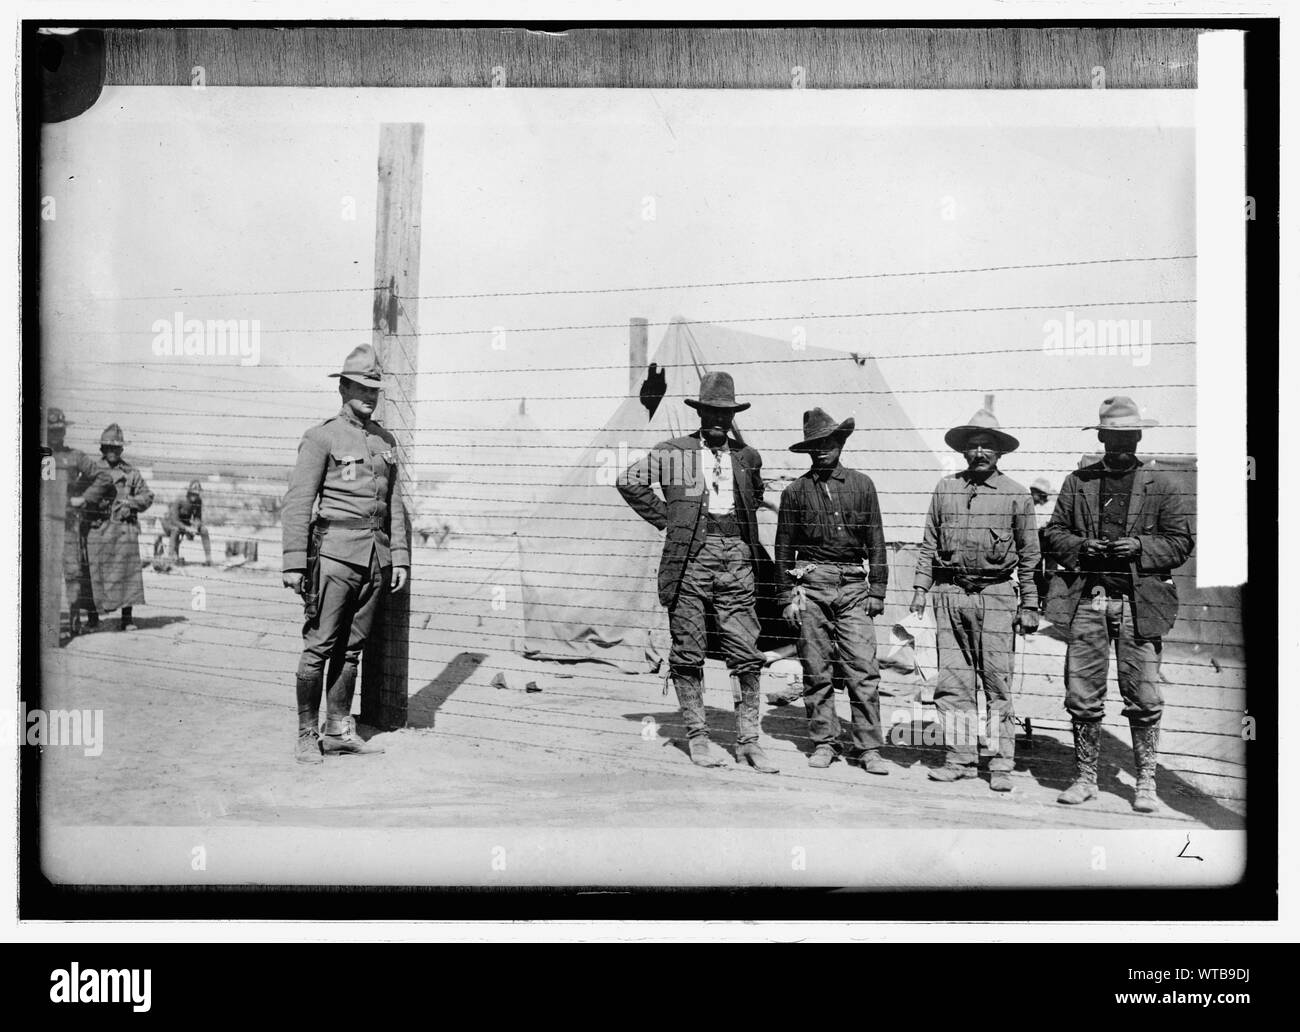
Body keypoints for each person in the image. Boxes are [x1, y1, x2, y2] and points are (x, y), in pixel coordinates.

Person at [617, 371, 779, 773]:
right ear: (700, 411)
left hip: (738, 559)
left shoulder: (748, 456)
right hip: (690, 558)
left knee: (745, 651)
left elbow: (754, 496)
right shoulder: (675, 451)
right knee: (688, 650)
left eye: (726, 413)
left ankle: (749, 741)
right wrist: (668, 520)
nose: (718, 420)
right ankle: (698, 737)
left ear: (734, 415)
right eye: (711, 411)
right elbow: (629, 481)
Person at [1043, 395, 1194, 813]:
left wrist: (1140, 546)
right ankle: (1086, 777)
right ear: (1102, 436)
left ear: (1139, 436)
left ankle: (1146, 782)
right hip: (1087, 602)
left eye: (1128, 436)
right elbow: (1053, 532)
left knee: (1144, 697)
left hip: (1138, 605)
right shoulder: (1079, 482)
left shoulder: (1160, 485)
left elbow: (1181, 543)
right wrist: (1081, 546)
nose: (1120, 444)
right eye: (1113, 436)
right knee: (1082, 694)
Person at [282, 344, 410, 765]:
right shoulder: (322, 437)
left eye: (375, 389)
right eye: (360, 387)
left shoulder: (385, 441)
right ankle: (306, 735)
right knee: (320, 645)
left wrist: (400, 557)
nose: (369, 396)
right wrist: (294, 563)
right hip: (334, 555)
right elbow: (299, 501)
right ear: (343, 387)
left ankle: (338, 730)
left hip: (374, 556)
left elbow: (393, 503)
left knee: (352, 650)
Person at [909, 406, 1040, 792]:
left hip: (997, 595)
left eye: (988, 446)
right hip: (950, 593)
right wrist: (921, 587)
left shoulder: (1016, 495)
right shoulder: (945, 488)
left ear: (1000, 452)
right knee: (954, 682)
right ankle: (960, 759)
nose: (980, 452)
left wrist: (1030, 603)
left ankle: (1001, 763)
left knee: (997, 683)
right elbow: (928, 541)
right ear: (963, 450)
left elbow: (1031, 555)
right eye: (974, 445)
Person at [775, 408, 890, 775]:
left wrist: (878, 590)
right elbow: (782, 549)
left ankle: (868, 747)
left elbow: (876, 541)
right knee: (816, 667)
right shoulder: (795, 492)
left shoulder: (862, 485)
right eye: (815, 445)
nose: (822, 450)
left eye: (828, 442)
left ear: (840, 443)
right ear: (808, 450)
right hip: (810, 584)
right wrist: (786, 596)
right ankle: (824, 741)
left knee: (862, 667)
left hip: (855, 585)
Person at [73, 424, 154, 632]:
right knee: (92, 574)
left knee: (127, 573)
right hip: (96, 529)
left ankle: (126, 618)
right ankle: (93, 618)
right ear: (101, 448)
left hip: (122, 532)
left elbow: (147, 496)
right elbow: (79, 495)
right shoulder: (92, 470)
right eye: (108, 447)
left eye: (116, 448)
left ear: (121, 450)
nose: (112, 451)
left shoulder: (131, 473)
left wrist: (130, 503)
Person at [46, 408, 100, 635]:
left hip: (67, 522)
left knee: (72, 571)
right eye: (51, 432)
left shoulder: (75, 457)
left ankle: (76, 621)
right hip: (42, 523)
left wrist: (83, 497)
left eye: (60, 431)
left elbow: (100, 477)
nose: (56, 435)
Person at [160, 480, 213, 566]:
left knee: (204, 530)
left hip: (184, 522)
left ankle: (208, 559)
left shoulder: (198, 501)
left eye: (196, 494)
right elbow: (174, 519)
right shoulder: (180, 500)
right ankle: (171, 557)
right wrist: (186, 528)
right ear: (188, 492)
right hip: (169, 522)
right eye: (192, 493)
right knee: (176, 529)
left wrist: (195, 526)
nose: (194, 496)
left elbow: (198, 517)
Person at [1030, 476, 1057, 605]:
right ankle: (1039, 596)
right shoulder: (1032, 507)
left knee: (1051, 572)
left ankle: (1048, 601)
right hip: (1037, 541)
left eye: (1034, 492)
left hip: (1049, 541)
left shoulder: (1051, 506)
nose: (1031, 494)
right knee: (1036, 570)